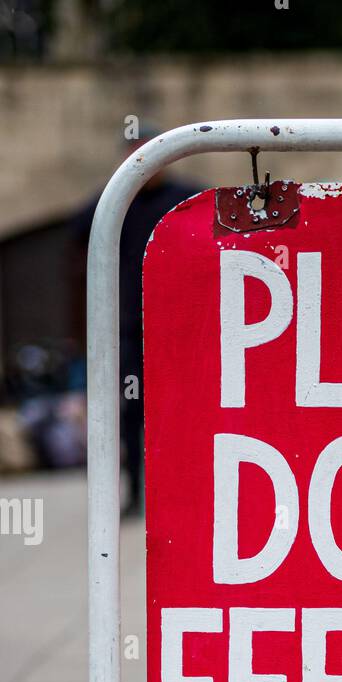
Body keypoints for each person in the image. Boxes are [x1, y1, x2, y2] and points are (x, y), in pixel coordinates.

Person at [69, 127, 198, 518]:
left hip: (178, 325)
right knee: (130, 406)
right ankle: (135, 491)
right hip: (130, 324)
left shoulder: (185, 199)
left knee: (183, 407)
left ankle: (182, 489)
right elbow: (77, 230)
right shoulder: (118, 200)